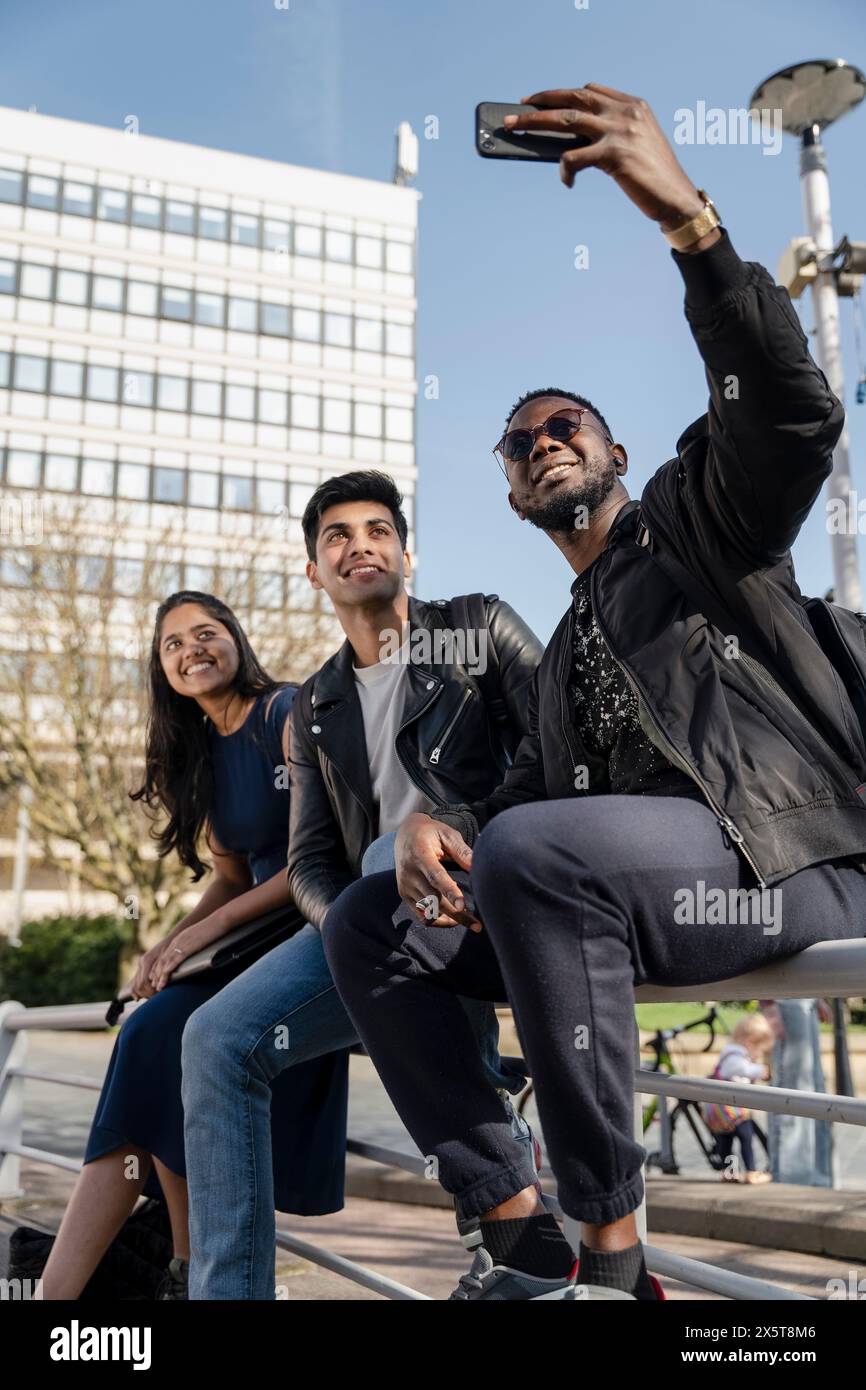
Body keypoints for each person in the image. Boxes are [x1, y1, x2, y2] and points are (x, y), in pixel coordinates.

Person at [322, 81, 866, 1302]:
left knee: (536, 851)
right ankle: (516, 1226)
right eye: (517, 443)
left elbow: (789, 416)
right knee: (371, 918)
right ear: (512, 492)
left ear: (613, 452)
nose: (541, 442)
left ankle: (612, 1261)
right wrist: (433, 831)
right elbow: (524, 790)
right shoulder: (565, 647)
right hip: (623, 888)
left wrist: (690, 227)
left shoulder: (697, 527)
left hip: (786, 861)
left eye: (564, 422)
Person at [181, 470, 543, 1299]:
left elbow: (559, 749)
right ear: (315, 572)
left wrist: (455, 834)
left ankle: (512, 1228)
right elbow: (309, 860)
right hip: (370, 922)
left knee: (394, 859)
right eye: (336, 537)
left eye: (378, 530)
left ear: (407, 554)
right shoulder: (314, 705)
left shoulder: (477, 628)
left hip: (488, 884)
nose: (360, 546)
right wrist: (349, 922)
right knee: (214, 1040)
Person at [38, 592, 348, 1300]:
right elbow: (232, 873)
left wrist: (203, 934)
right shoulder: (204, 751)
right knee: (146, 1034)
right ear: (162, 668)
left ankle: (181, 1267)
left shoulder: (286, 713)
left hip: (309, 933)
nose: (190, 649)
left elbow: (311, 860)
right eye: (172, 644)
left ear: (235, 639)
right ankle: (88, 1289)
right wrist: (167, 945)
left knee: (161, 1039)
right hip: (245, 941)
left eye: (205, 633)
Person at [762, 998, 835, 1186]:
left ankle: (818, 1179)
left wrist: (815, 997)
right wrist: (769, 1005)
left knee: (815, 1091)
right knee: (792, 1093)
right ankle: (790, 1180)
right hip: (786, 1000)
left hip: (802, 998)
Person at [703, 1014, 774, 1184]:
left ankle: (730, 1172)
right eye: (760, 1050)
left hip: (720, 1111)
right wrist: (762, 1071)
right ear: (751, 1041)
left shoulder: (729, 1053)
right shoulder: (736, 1057)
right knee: (745, 1139)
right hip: (733, 1111)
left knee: (726, 1143)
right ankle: (751, 1171)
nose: (759, 1055)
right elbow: (743, 1069)